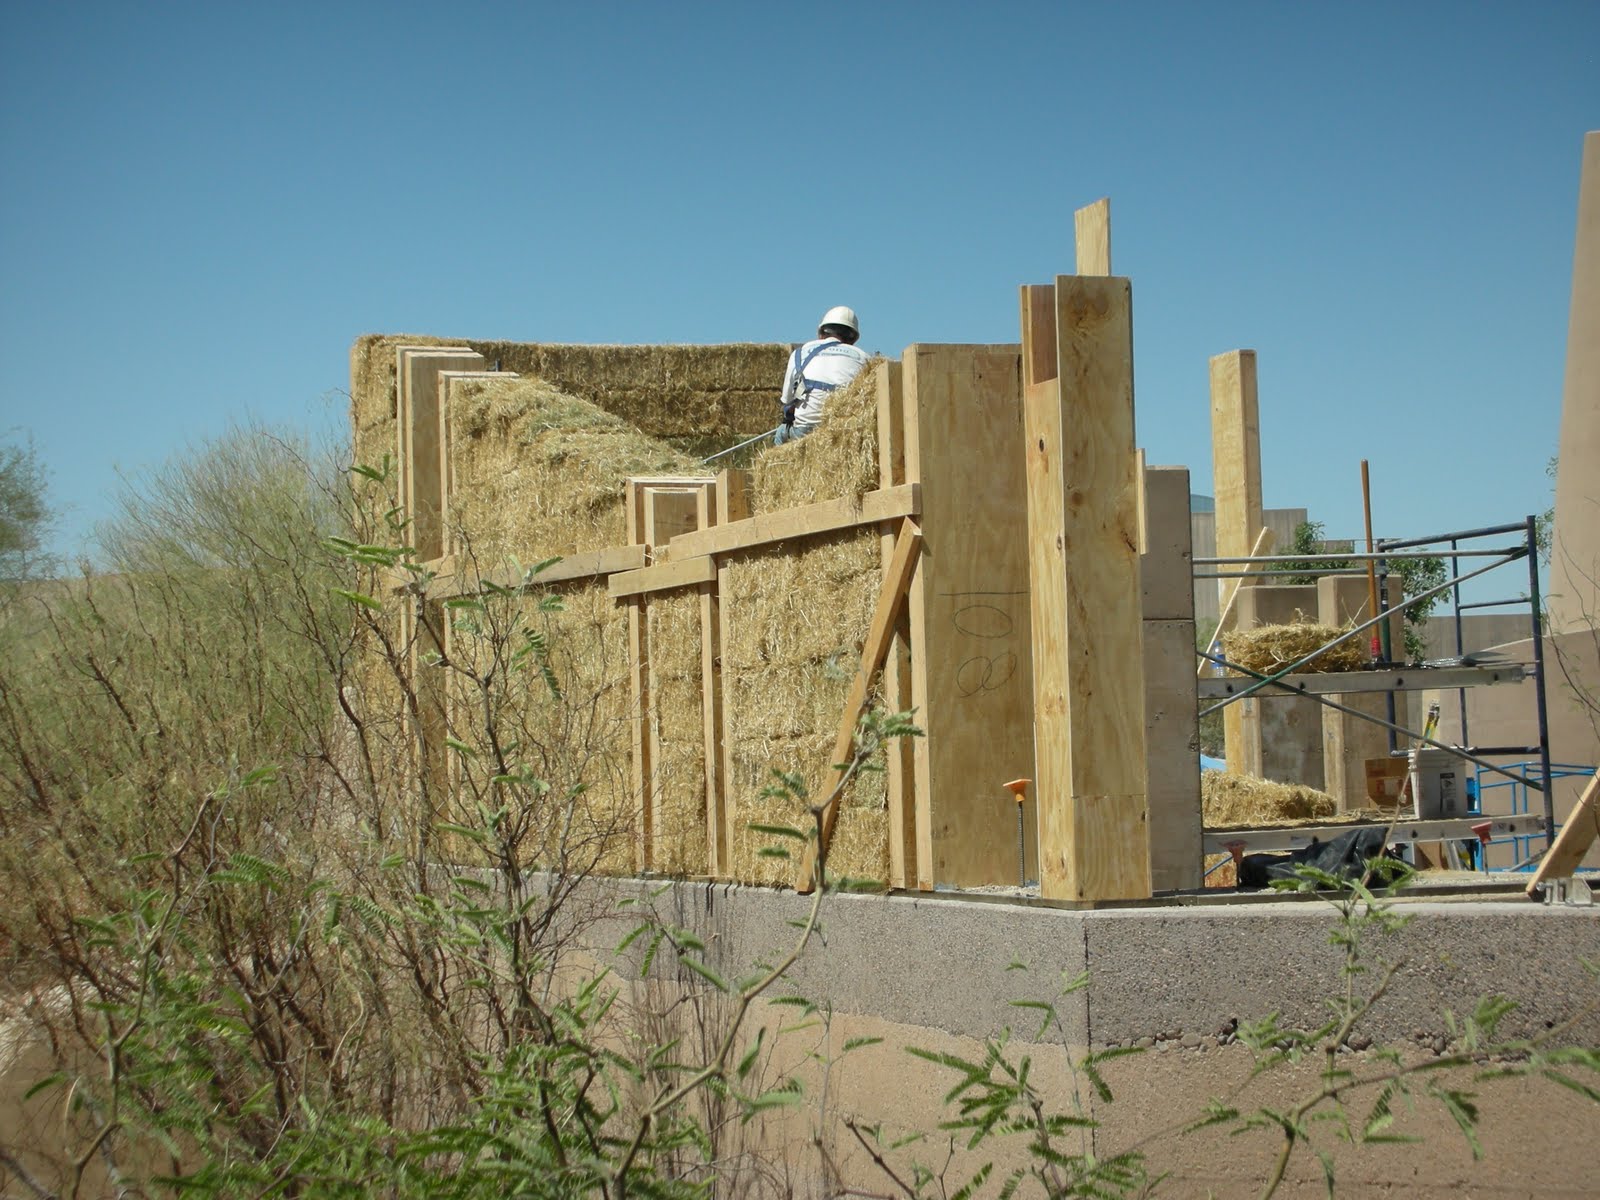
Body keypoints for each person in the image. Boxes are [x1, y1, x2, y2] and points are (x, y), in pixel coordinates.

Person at [773, 306, 870, 445]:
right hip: (844, 431)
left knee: (781, 433)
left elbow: (787, 400)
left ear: (821, 333)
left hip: (805, 430)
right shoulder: (863, 358)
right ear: (853, 338)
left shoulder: (799, 353)